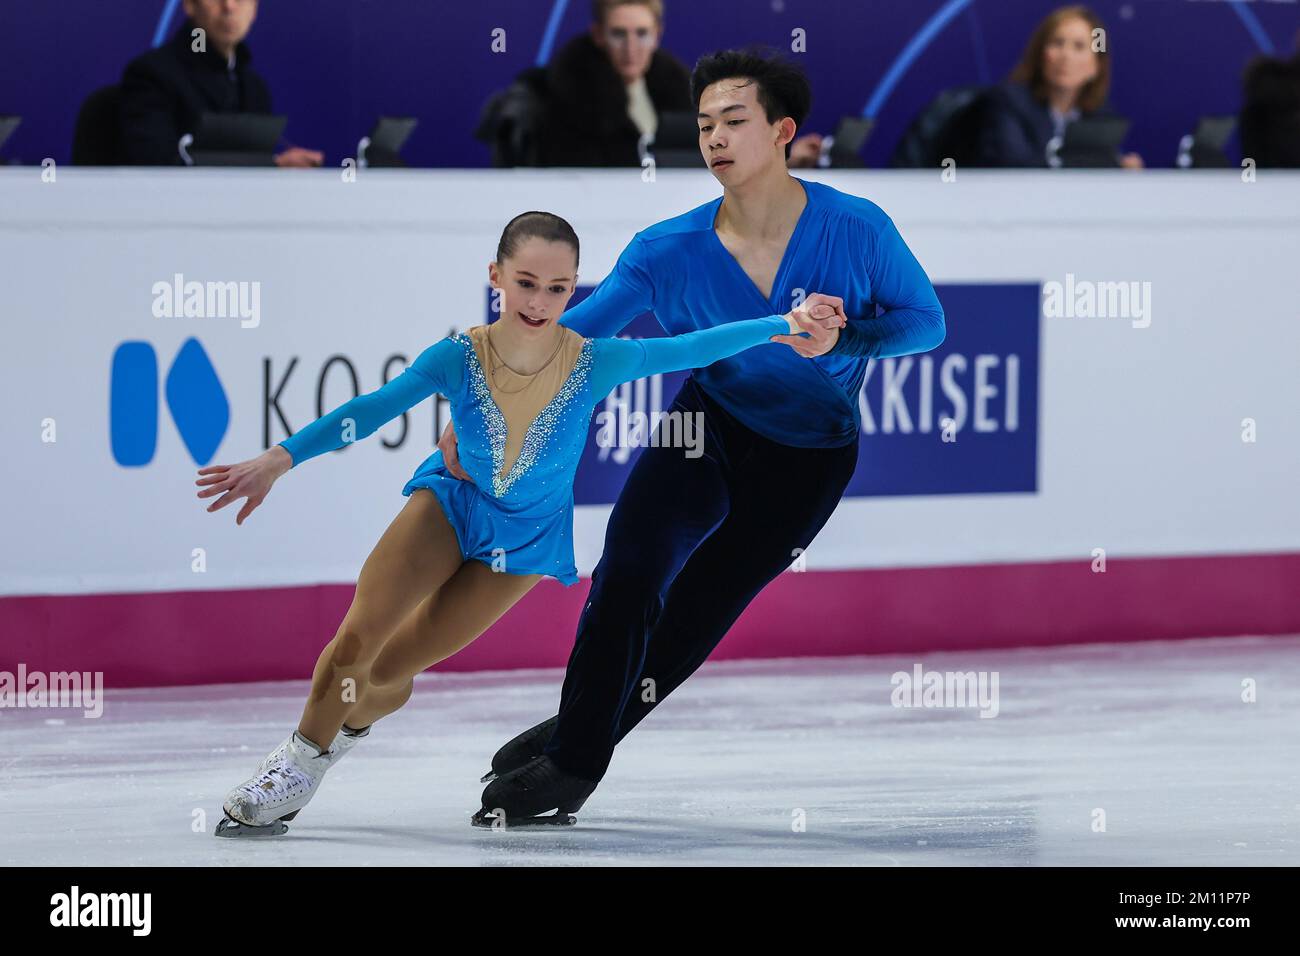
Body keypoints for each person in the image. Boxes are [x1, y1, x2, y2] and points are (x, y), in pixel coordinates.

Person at [198, 210, 831, 836]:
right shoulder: (459, 355)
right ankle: (295, 767)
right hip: (451, 504)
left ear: (573, 287)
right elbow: (370, 409)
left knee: (387, 674)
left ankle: (347, 728)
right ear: (496, 275)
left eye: (558, 288)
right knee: (356, 645)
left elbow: (690, 346)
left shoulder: (594, 362)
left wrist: (783, 324)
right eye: (526, 282)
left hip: (524, 545)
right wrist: (279, 460)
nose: (540, 301)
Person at [440, 49, 947, 826]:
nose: (714, 137)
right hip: (703, 425)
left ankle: (579, 729)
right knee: (630, 573)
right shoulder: (666, 250)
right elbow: (571, 340)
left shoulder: (857, 226)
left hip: (810, 454)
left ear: (782, 131)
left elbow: (925, 324)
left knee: (698, 611)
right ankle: (574, 764)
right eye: (705, 123)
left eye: (734, 121)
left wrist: (846, 344)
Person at [118, 0, 323, 167]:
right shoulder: (152, 74)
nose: (229, 6)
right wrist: (272, 165)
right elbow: (154, 163)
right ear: (190, 4)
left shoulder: (253, 87)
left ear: (254, 9)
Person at [960, 5, 1142, 169]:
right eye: (1057, 43)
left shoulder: (1100, 114)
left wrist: (1118, 167)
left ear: (1096, 66)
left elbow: (1100, 164)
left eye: (1079, 47)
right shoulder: (1007, 102)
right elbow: (1013, 164)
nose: (1066, 56)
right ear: (1041, 54)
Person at [535, 0, 691, 166]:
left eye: (642, 33)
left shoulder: (680, 93)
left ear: (657, 35)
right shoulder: (568, 104)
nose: (631, 48)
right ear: (598, 35)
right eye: (618, 34)